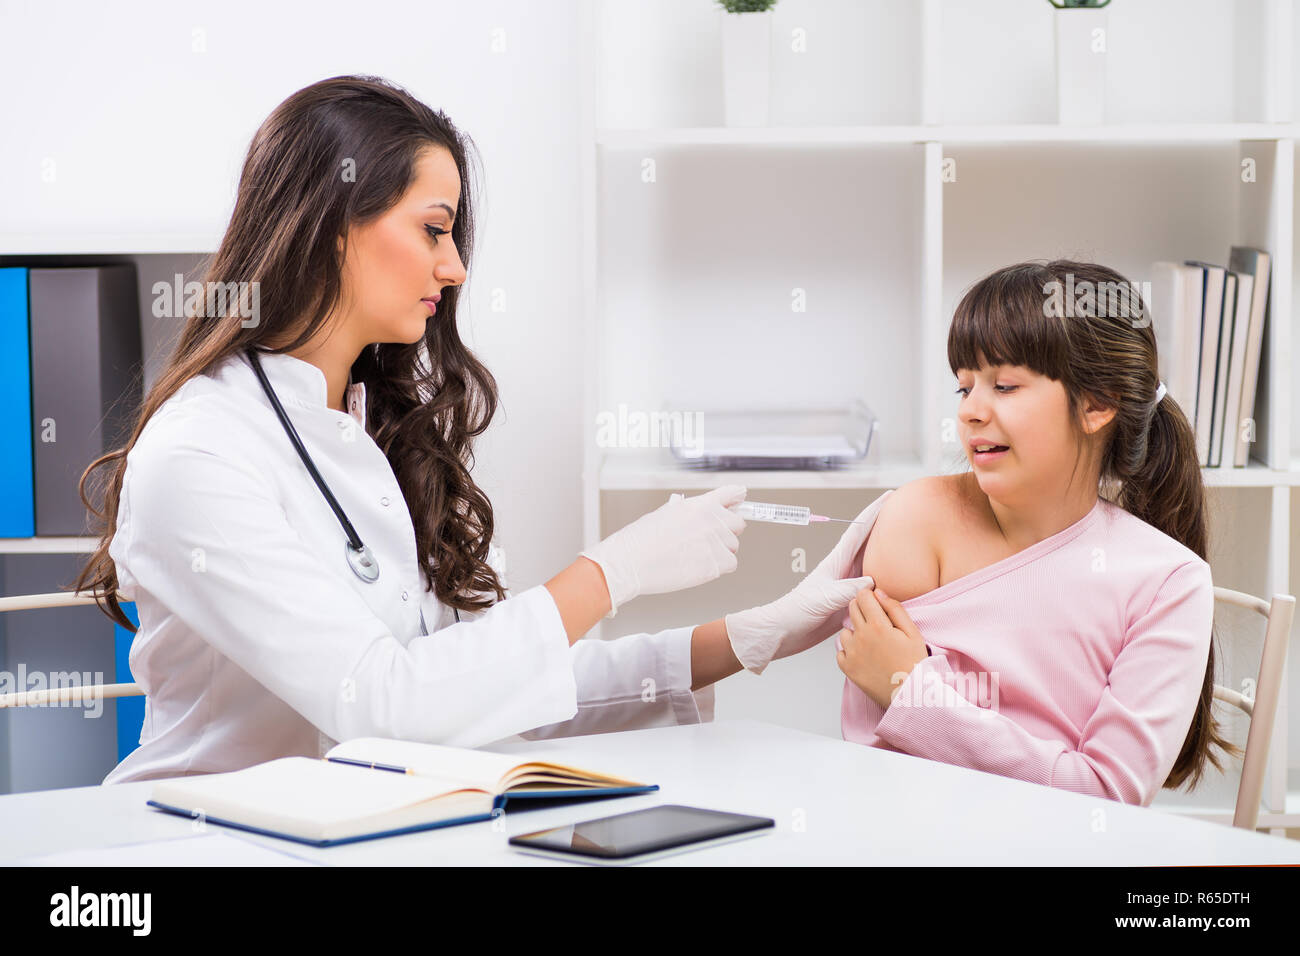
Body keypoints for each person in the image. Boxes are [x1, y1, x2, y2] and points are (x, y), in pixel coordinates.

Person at [79, 75, 874, 784]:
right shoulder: (201, 452)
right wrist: (610, 573)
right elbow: (383, 704)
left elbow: (487, 689)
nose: (455, 267)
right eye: (434, 229)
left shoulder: (370, 432)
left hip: (372, 829)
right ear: (330, 224)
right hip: (207, 842)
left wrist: (748, 636)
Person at [817, 260, 1241, 807]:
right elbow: (873, 759)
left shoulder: (1169, 581)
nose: (970, 410)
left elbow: (1106, 796)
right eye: (964, 387)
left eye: (1005, 385)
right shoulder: (917, 520)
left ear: (1096, 404)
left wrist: (911, 690)